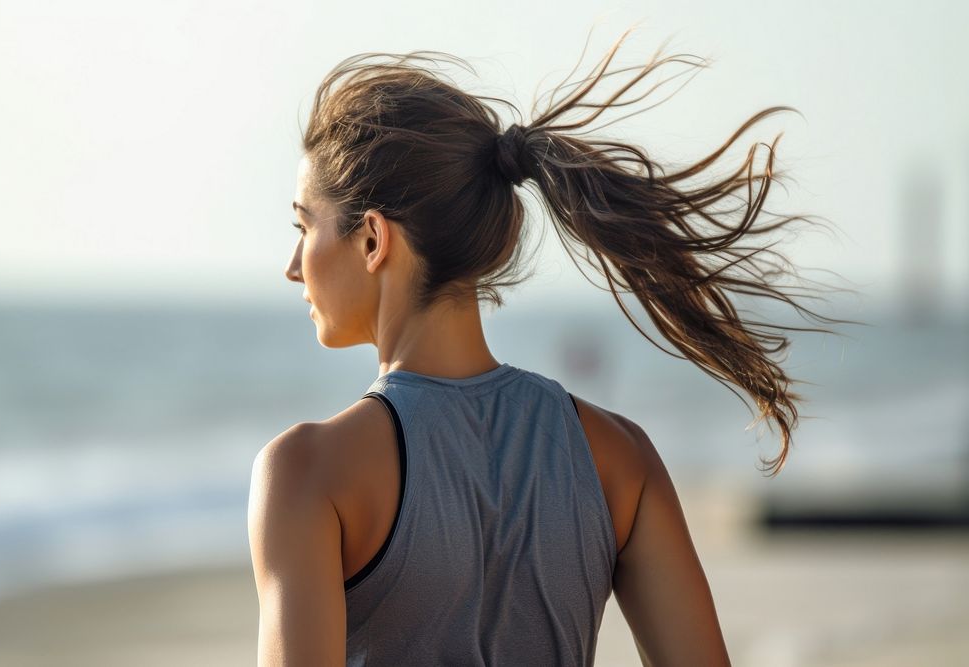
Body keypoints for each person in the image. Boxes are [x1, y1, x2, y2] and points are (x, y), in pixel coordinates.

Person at [248, 26, 849, 666]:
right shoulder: (619, 457)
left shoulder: (309, 475)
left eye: (303, 225)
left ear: (373, 240)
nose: (293, 264)